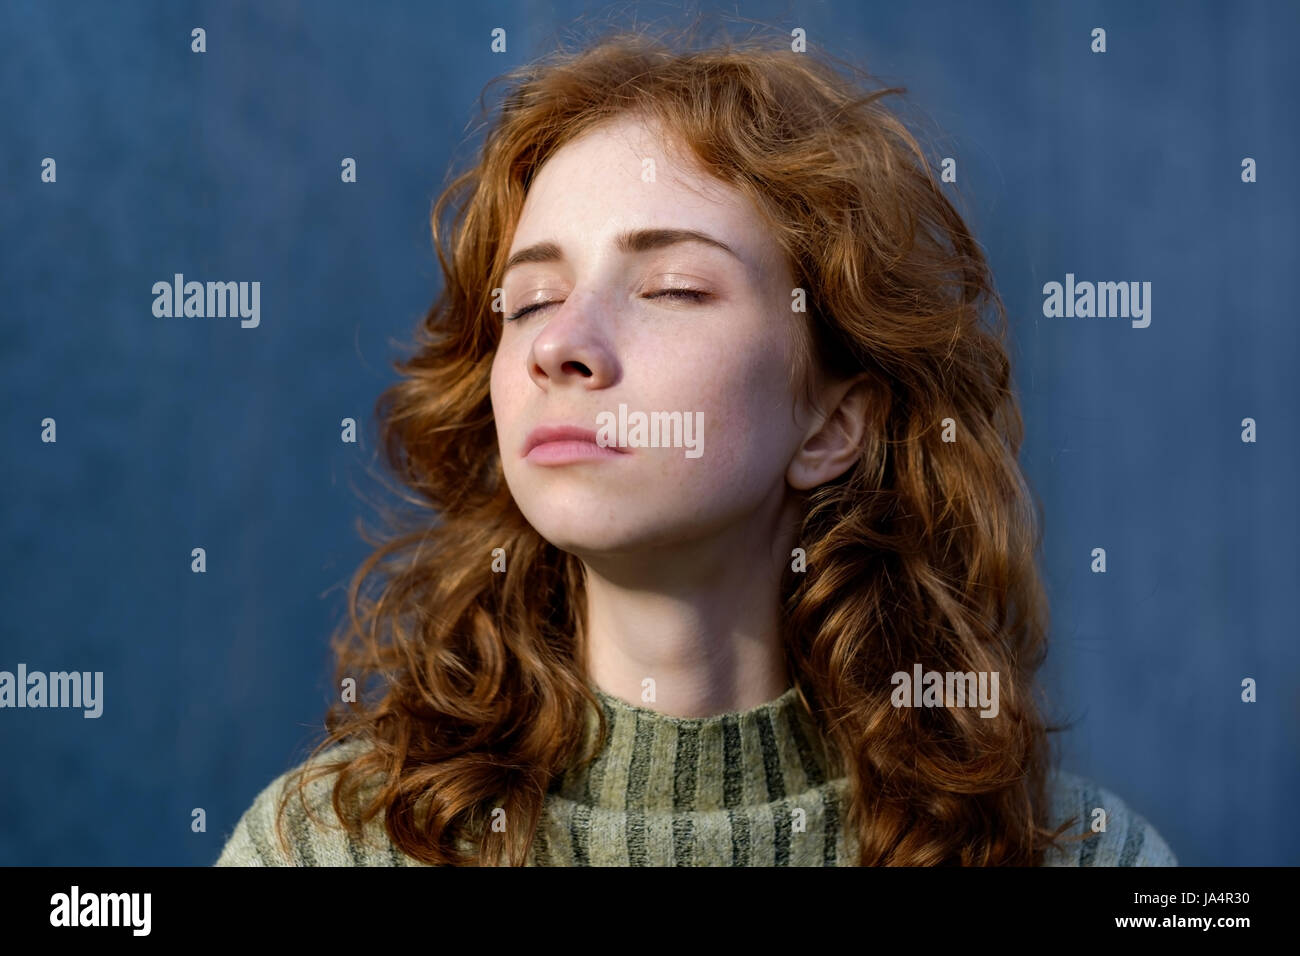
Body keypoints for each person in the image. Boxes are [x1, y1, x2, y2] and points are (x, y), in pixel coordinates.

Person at [216, 29, 1176, 867]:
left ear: (834, 424)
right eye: (532, 299)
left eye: (672, 287)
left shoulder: (1083, 858)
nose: (561, 345)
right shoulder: (326, 847)